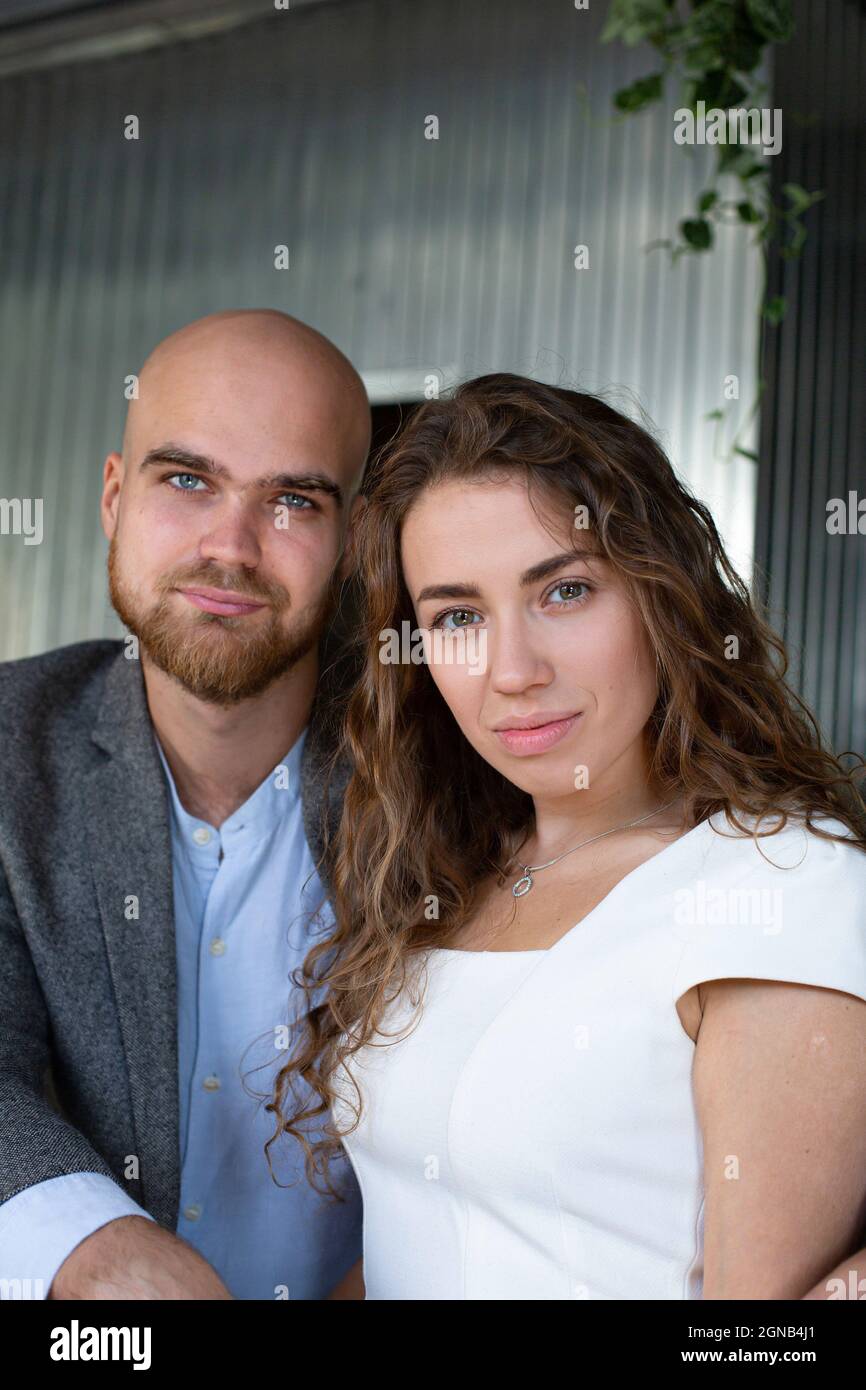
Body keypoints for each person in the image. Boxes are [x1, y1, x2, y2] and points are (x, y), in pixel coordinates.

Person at [266, 372, 866, 1300]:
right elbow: (431, 1234)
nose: (512, 671)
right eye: (458, 616)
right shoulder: (450, 873)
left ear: (662, 596)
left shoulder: (783, 888)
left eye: (566, 591)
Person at [0, 308, 370, 1300]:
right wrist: (92, 1250)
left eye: (293, 499)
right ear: (114, 498)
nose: (232, 545)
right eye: (186, 479)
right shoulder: (7, 746)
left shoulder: (447, 773)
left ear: (350, 540)